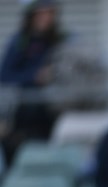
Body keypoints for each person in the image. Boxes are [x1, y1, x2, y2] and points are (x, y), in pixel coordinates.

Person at [0, 0, 65, 162]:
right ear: (31, 16)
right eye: (41, 13)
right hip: (24, 117)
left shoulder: (59, 41)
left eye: (50, 13)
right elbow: (5, 76)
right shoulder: (20, 42)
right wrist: (34, 76)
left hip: (53, 115)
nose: (46, 18)